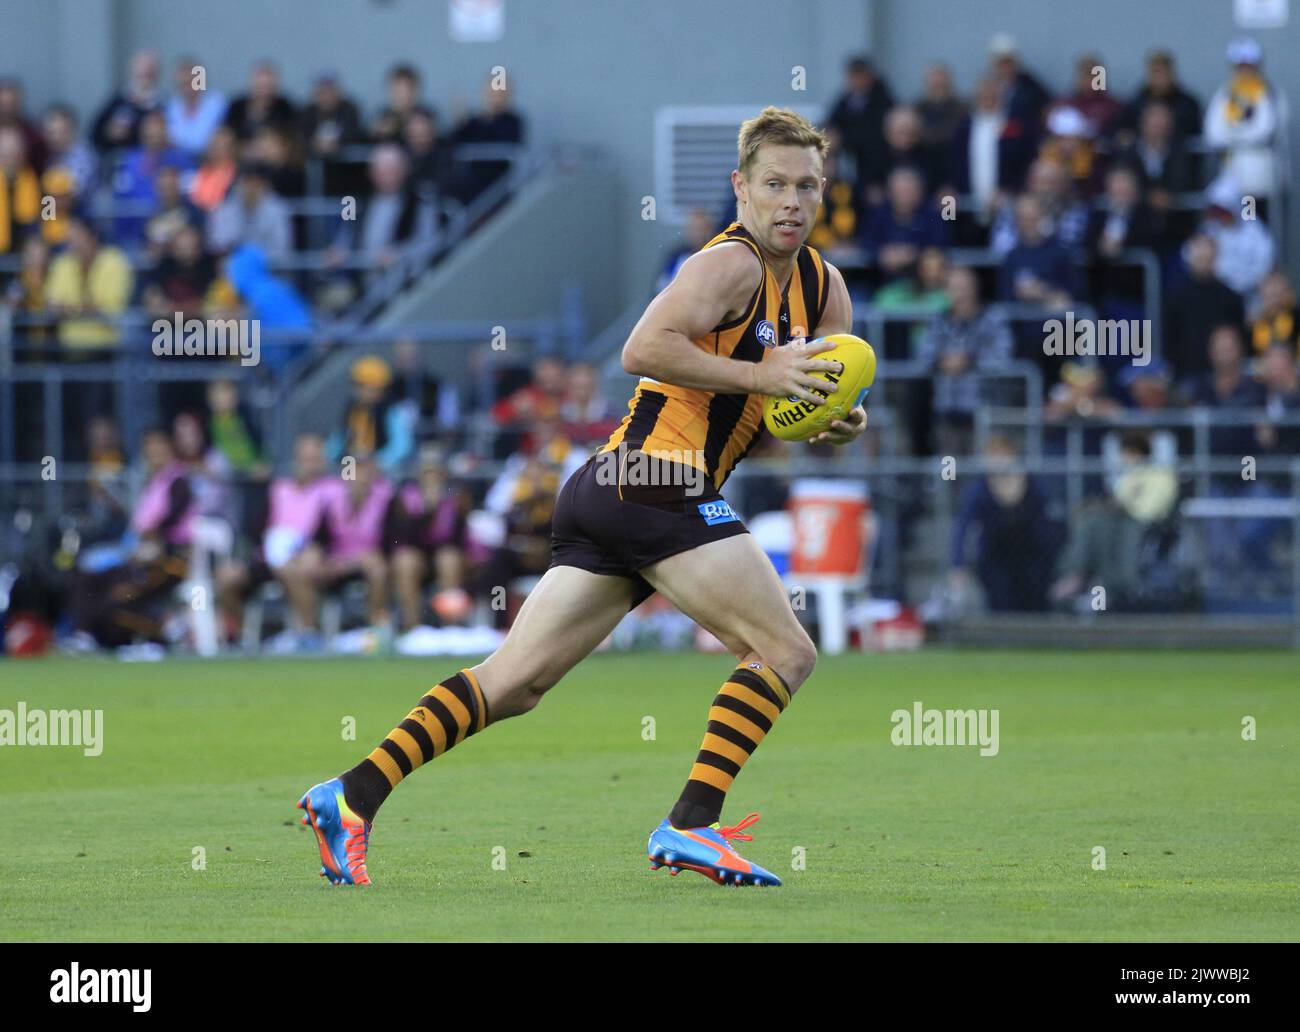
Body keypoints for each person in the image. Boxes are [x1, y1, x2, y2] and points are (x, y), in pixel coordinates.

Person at [295, 106, 866, 888]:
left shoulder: (824, 290)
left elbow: (789, 412)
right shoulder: (726, 265)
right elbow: (641, 349)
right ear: (741, 188)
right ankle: (690, 826)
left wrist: (831, 422)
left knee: (514, 683)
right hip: (653, 479)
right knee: (785, 651)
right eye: (775, 184)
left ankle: (351, 796)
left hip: (616, 490)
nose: (793, 201)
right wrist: (766, 378)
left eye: (807, 184)